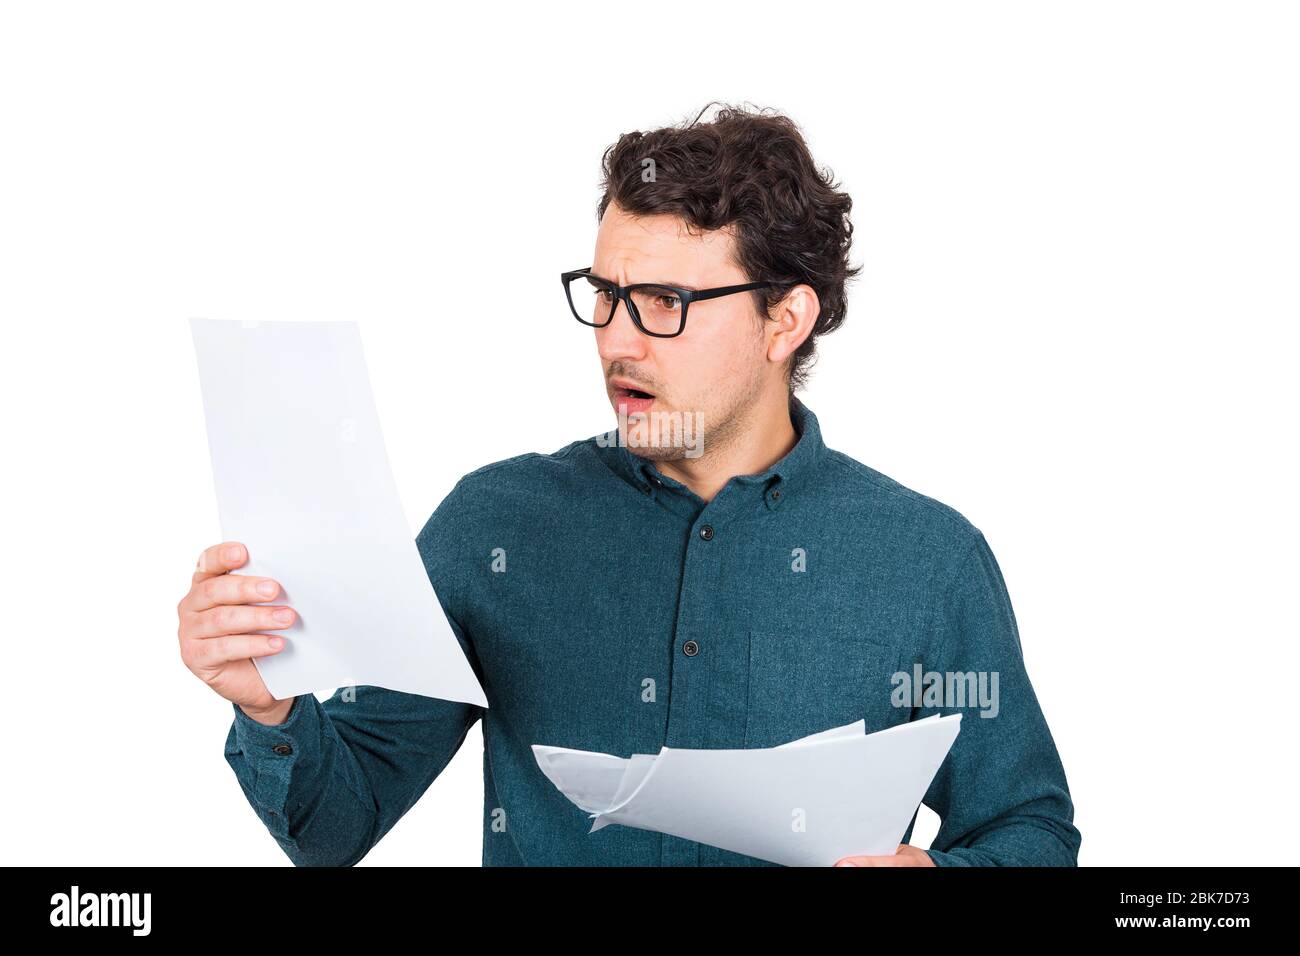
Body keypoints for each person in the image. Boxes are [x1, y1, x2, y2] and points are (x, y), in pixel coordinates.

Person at [177, 104, 1080, 866]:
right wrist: (271, 706)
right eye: (603, 293)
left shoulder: (926, 560)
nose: (617, 339)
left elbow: (1027, 825)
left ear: (785, 319)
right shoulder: (495, 526)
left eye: (663, 302)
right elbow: (337, 824)